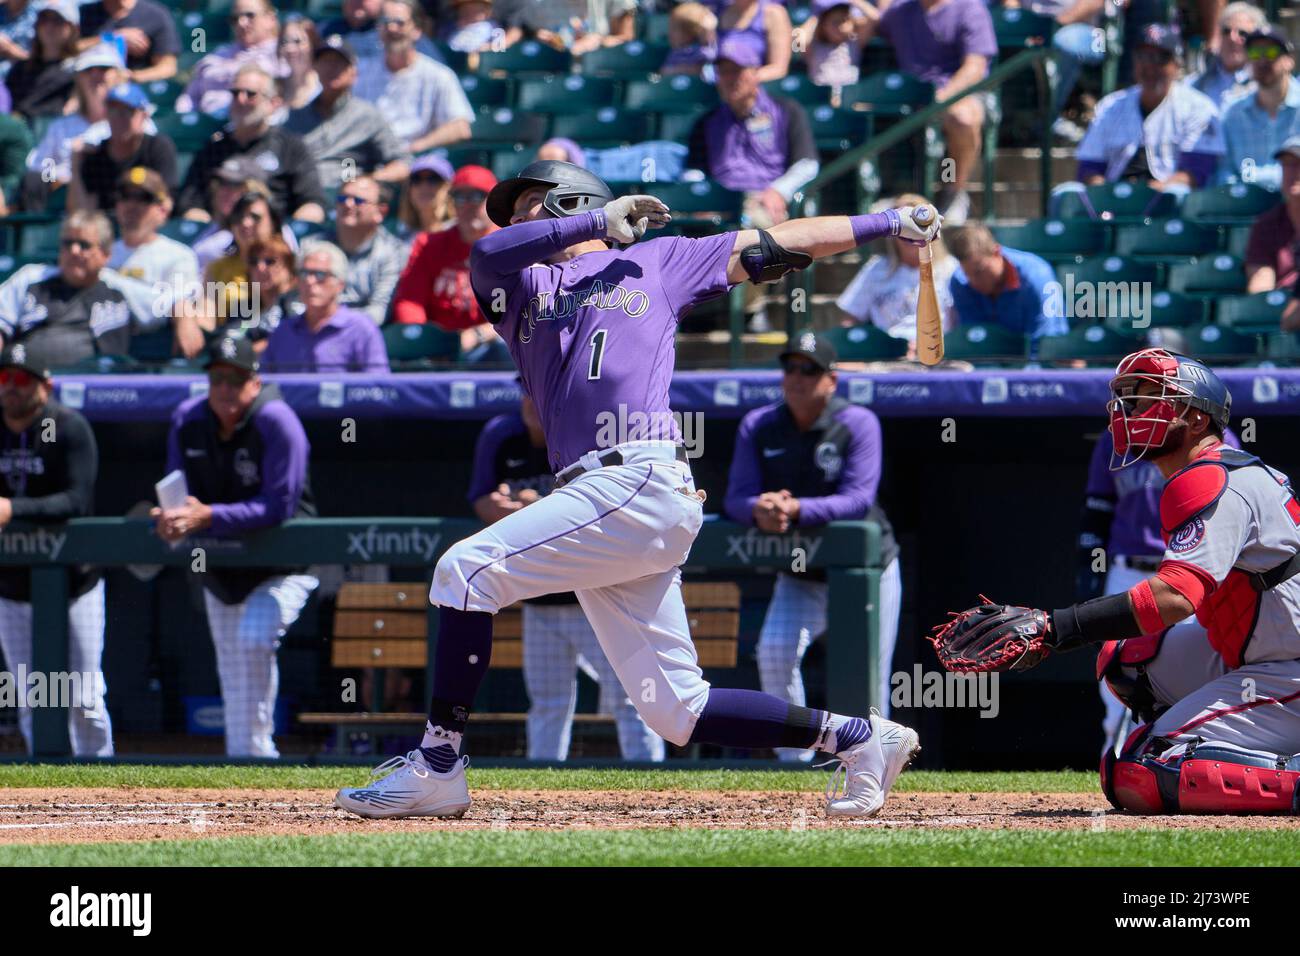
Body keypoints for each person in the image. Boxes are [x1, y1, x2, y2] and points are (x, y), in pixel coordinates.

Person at [333, 159, 939, 820]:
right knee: (677, 709)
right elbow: (485, 251)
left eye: (530, 205)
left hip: (635, 476)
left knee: (465, 573)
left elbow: (780, 241)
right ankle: (859, 738)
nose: (515, 218)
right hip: (596, 496)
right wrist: (598, 220)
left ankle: (439, 765)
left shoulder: (659, 262)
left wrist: (886, 222)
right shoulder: (521, 281)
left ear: (567, 197)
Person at [931, 348, 1300, 815]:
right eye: (1126, 401)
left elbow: (1174, 597)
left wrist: (1056, 627)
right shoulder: (1218, 469)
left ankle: (1209, 755)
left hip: (1289, 666)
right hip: (1259, 654)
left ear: (1196, 417)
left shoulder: (1215, 478)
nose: (1130, 414)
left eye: (1148, 401)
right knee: (1128, 659)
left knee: (1142, 771)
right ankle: (1215, 739)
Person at [724, 331, 901, 760]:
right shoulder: (759, 423)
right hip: (801, 576)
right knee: (774, 653)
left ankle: (875, 763)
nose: (798, 378)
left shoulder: (857, 422)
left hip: (866, 573)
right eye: (790, 368)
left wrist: (796, 508)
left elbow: (857, 499)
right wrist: (759, 509)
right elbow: (735, 498)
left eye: (810, 370)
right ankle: (795, 765)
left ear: (831, 379)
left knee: (868, 680)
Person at [469, 392, 666, 761]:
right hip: (540, 602)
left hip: (593, 597)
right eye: (526, 390)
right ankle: (543, 790)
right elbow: (480, 497)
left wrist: (541, 507)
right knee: (548, 702)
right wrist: (498, 508)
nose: (532, 399)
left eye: (538, 393)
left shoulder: (588, 434)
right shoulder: (502, 435)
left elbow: (604, 508)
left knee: (629, 696)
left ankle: (649, 776)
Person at [154, 335, 318, 758]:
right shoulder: (187, 419)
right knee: (231, 667)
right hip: (222, 567)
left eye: (235, 379)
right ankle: (244, 761)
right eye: (217, 379)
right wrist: (171, 516)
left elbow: (278, 505)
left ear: (255, 383)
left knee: (252, 640)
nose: (225, 388)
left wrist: (206, 516)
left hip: (282, 566)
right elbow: (178, 488)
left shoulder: (278, 420)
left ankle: (261, 754)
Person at [1078, 423, 1241, 753]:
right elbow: (1098, 507)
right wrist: (1088, 565)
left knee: (1195, 673)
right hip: (1128, 569)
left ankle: (1187, 761)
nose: (1134, 409)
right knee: (1116, 679)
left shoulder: (1215, 437)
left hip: (1188, 572)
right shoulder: (1114, 437)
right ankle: (1117, 767)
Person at [0, 341, 112, 757]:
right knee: (32, 697)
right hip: (12, 587)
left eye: (22, 379)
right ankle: (47, 795)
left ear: (45, 386)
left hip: (75, 584)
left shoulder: (67, 427)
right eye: (5, 378)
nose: (12, 387)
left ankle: (101, 785)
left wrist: (14, 508)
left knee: (84, 696)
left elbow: (76, 500)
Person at [861, 0, 997, 224]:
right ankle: (886, 197)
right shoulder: (900, 11)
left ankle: (953, 190)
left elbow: (976, 67)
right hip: (912, 97)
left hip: (960, 93)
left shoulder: (970, 8)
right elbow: (874, 24)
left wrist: (943, 97)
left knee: (961, 118)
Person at [0, 211, 173, 366]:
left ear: (106, 254)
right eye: (68, 243)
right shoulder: (31, 278)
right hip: (27, 386)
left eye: (84, 245)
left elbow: (168, 302)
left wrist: (183, 316)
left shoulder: (118, 286)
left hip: (101, 389)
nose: (74, 251)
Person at [1070, 26, 1224, 198]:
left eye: (1160, 58)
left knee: (1177, 193)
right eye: (1143, 57)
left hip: (1166, 200)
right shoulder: (1110, 106)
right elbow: (1089, 167)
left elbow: (1196, 173)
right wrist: (1108, 195)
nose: (1150, 66)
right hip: (1114, 197)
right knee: (1066, 193)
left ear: (1177, 64)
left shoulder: (1198, 107)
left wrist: (1145, 195)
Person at [685, 38, 818, 234]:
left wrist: (778, 191)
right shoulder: (706, 121)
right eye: (723, 72)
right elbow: (693, 171)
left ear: (755, 72)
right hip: (720, 202)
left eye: (737, 70)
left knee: (763, 232)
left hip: (764, 200)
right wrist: (701, 198)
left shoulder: (787, 110)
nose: (730, 79)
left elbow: (807, 164)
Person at [177, 65, 326, 225]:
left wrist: (283, 234)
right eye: (235, 93)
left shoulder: (292, 147)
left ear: (273, 103)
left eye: (251, 94)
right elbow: (189, 203)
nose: (241, 100)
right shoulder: (214, 147)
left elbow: (312, 205)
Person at [392, 164, 505, 360]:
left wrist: (478, 334)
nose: (467, 205)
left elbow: (523, 313)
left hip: (490, 343)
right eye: (460, 197)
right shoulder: (429, 244)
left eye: (477, 196)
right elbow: (410, 300)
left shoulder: (512, 245)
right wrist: (422, 338)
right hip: (439, 346)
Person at [283, 34, 411, 190]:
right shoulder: (296, 117)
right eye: (326, 62)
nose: (331, 68)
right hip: (302, 193)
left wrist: (365, 182)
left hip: (347, 196)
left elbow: (402, 163)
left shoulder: (366, 116)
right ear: (314, 68)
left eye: (339, 63)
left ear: (353, 72)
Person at [837, 192, 957, 356]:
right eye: (905, 226)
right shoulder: (876, 268)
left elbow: (961, 323)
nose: (911, 233)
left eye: (918, 225)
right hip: (887, 355)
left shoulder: (950, 269)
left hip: (939, 354)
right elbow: (850, 319)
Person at [353, 0, 473, 155]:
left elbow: (460, 128)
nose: (391, 28)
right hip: (369, 158)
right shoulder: (360, 72)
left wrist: (417, 147)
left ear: (417, 30)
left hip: (417, 165)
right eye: (385, 22)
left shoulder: (438, 75)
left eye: (399, 22)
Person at [260, 240, 390, 373]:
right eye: (304, 274)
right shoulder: (283, 332)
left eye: (320, 275)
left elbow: (379, 388)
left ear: (340, 284)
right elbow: (264, 385)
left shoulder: (360, 330)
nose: (310, 281)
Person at [23, 42, 122, 201]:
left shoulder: (132, 120)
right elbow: (42, 162)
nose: (96, 75)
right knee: (33, 181)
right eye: (88, 70)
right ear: (78, 78)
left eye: (104, 68)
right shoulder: (62, 125)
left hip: (109, 197)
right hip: (61, 197)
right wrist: (55, 179)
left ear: (118, 75)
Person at [999, 0, 1106, 143]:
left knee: (1065, 42)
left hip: (1080, 28)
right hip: (1030, 26)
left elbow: (1093, 3)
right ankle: (1006, 122)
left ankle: (1049, 119)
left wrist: (1053, 26)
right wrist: (1018, 18)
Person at [946, 223, 1064, 346]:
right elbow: (973, 343)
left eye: (979, 271)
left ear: (996, 253)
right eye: (968, 274)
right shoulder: (960, 282)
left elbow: (1044, 345)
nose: (974, 282)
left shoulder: (1036, 277)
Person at [68, 80, 176, 212]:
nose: (118, 118)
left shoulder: (157, 148)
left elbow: (166, 203)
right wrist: (75, 163)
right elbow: (83, 211)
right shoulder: (97, 156)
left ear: (144, 116)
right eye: (112, 110)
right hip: (105, 229)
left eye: (127, 112)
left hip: (144, 223)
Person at [316, 175, 408, 325]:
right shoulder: (314, 246)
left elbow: (379, 311)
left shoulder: (394, 252)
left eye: (358, 201)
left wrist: (333, 321)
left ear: (381, 212)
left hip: (361, 336)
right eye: (342, 199)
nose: (348, 204)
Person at [1218, 28, 1298, 190]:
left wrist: (1254, 178)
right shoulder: (1232, 113)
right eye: (1255, 53)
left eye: (1270, 52)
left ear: (1289, 60)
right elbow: (1223, 171)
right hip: (1248, 208)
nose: (1262, 60)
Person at [175, 0, 283, 118]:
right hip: (208, 127)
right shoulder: (220, 54)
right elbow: (190, 97)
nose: (241, 23)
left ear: (270, 18)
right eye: (235, 19)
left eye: (250, 15)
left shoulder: (283, 52)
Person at [200, 190, 283, 336]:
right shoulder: (217, 268)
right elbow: (206, 321)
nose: (245, 223)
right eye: (238, 217)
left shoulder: (287, 264)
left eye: (255, 217)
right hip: (231, 343)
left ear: (273, 222)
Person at [106, 167, 199, 293]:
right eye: (126, 195)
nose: (132, 204)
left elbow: (173, 308)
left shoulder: (179, 257)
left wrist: (110, 280)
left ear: (162, 209)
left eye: (144, 197)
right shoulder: (101, 253)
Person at [1244, 136, 1300, 294]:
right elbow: (1260, 284)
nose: (1292, 172)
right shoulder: (1268, 223)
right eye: (1286, 165)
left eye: (1298, 164)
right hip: (1281, 309)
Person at [75, 0, 178, 84]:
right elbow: (68, 50)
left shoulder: (155, 15)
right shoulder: (84, 13)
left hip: (133, 95)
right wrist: (112, 38)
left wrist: (131, 76)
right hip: (89, 88)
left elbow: (168, 68)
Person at [6, 0, 77, 121]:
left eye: (57, 21)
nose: (49, 26)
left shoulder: (77, 70)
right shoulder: (21, 68)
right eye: (44, 20)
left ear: (72, 27)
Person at [1185, 1, 1264, 109]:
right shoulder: (1193, 85)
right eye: (1226, 31)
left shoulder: (1264, 83)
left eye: (1242, 33)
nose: (1231, 38)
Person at [800, 0, 876, 90]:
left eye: (845, 20)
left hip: (849, 96)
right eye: (835, 22)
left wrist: (854, 1)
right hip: (821, 96)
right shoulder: (814, 46)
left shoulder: (854, 43)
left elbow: (874, 18)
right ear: (823, 24)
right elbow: (799, 38)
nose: (840, 26)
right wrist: (816, 16)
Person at [235, 235, 297, 345]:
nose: (260, 267)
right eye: (253, 262)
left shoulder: (301, 304)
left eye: (270, 261)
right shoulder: (243, 309)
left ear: (289, 267)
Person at [716, 0, 790, 83]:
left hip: (757, 89)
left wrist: (743, 79)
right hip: (719, 87)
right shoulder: (717, 12)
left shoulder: (773, 13)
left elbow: (779, 69)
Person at [394, 152, 452, 238]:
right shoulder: (399, 238)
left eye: (433, 179)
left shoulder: (462, 233)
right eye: (416, 179)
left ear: (449, 188)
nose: (424, 186)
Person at [277, 14, 320, 113]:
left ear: (313, 44)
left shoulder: (324, 87)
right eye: (284, 42)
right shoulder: (274, 87)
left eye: (297, 41)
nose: (289, 48)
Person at [661, 0, 715, 77]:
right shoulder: (675, 52)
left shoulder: (701, 52)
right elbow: (664, 71)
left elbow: (704, 69)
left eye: (674, 30)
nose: (670, 34)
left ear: (690, 32)